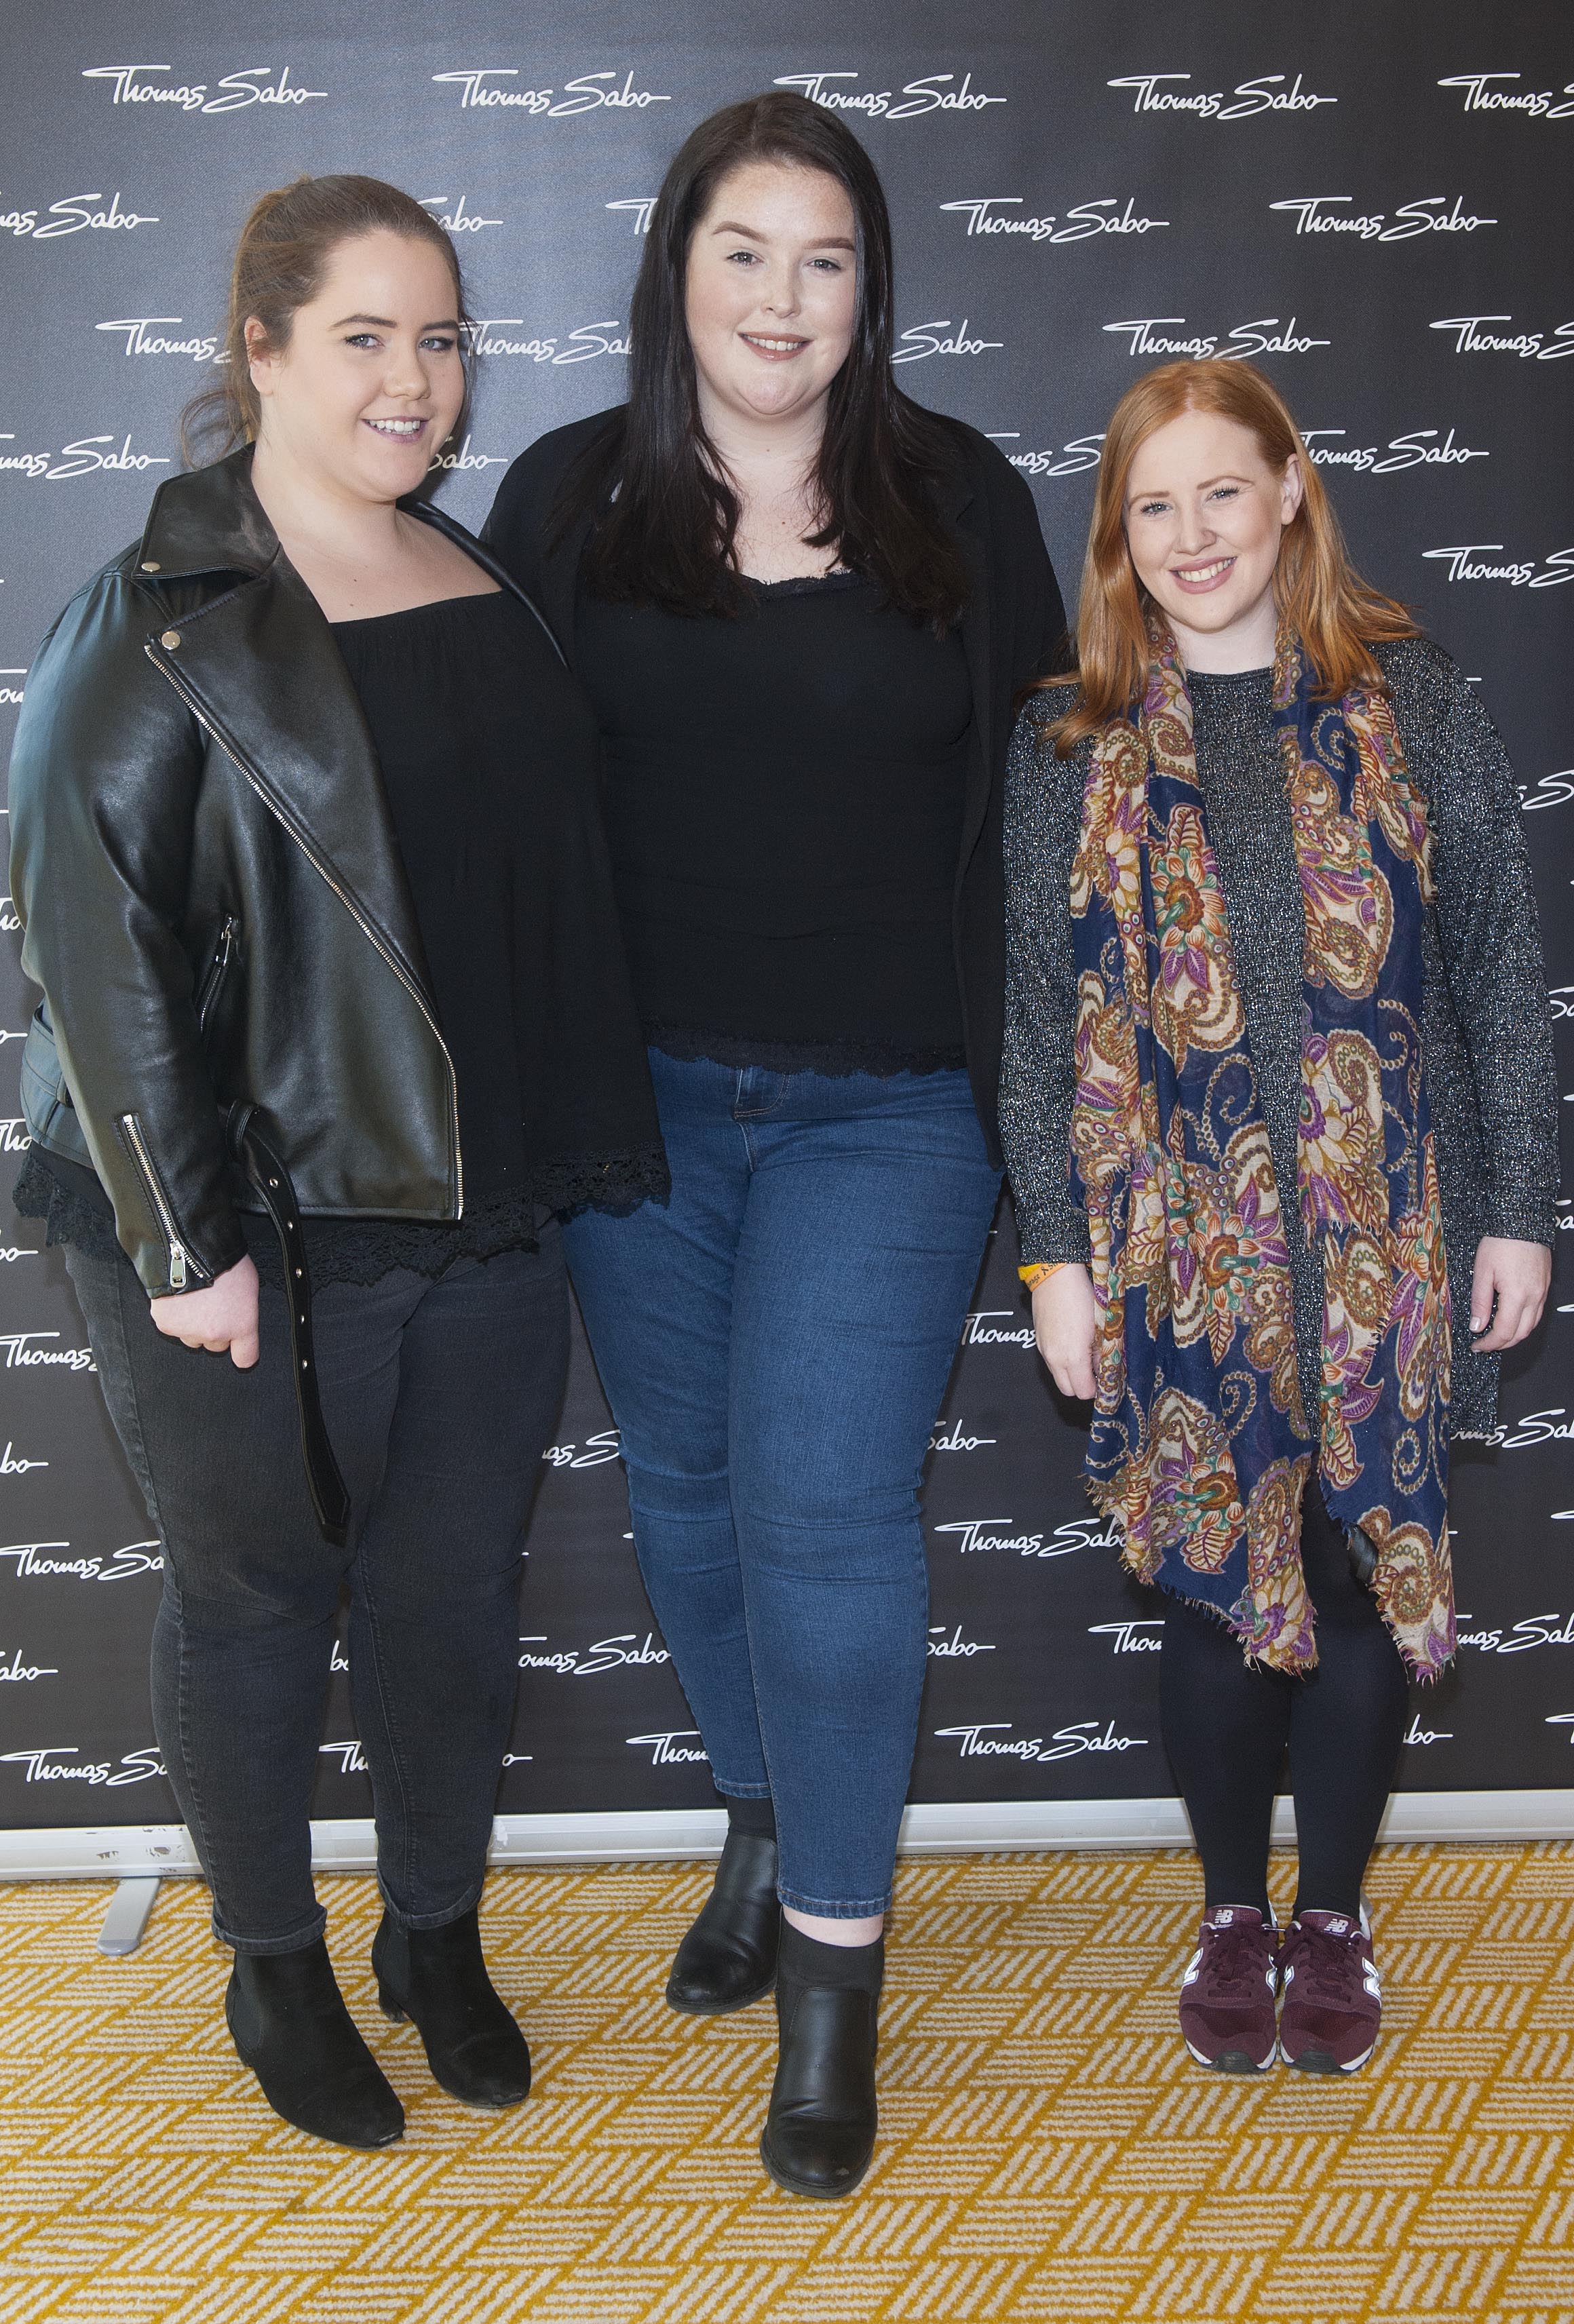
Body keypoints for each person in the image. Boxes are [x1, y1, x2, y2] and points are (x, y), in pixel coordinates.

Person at [8, 175, 664, 2150]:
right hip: (248, 1232)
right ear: (263, 348)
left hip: (478, 1211)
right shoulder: (158, 615)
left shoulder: (482, 583)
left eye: (443, 336)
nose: (414, 378)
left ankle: (433, 1934)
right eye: (367, 334)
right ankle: (274, 1960)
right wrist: (188, 1233)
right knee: (255, 1596)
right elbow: (84, 928)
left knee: (455, 1595)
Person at [485, 90, 1065, 2196]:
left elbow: (1049, 825)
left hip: (894, 1111)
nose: (785, 298)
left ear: (872, 287)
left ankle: (833, 1984)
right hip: (635, 1108)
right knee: (695, 1502)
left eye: (827, 259)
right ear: (678, 268)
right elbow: (478, 802)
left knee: (826, 1526)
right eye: (746, 251)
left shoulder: (960, 500)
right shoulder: (562, 500)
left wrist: (1059, 1149)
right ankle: (758, 1808)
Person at [1000, 356, 1557, 2077]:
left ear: (1291, 487)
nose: (1189, 535)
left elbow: (1489, 973)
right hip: (1176, 1250)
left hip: (1390, 1226)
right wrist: (1052, 1255)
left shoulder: (1411, 703)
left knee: (1349, 1563)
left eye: (1218, 492)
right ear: (1118, 536)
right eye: (1149, 507)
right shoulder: (1065, 741)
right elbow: (1032, 1018)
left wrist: (1516, 1211)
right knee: (1212, 1590)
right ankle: (1228, 1909)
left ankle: (1333, 1913)